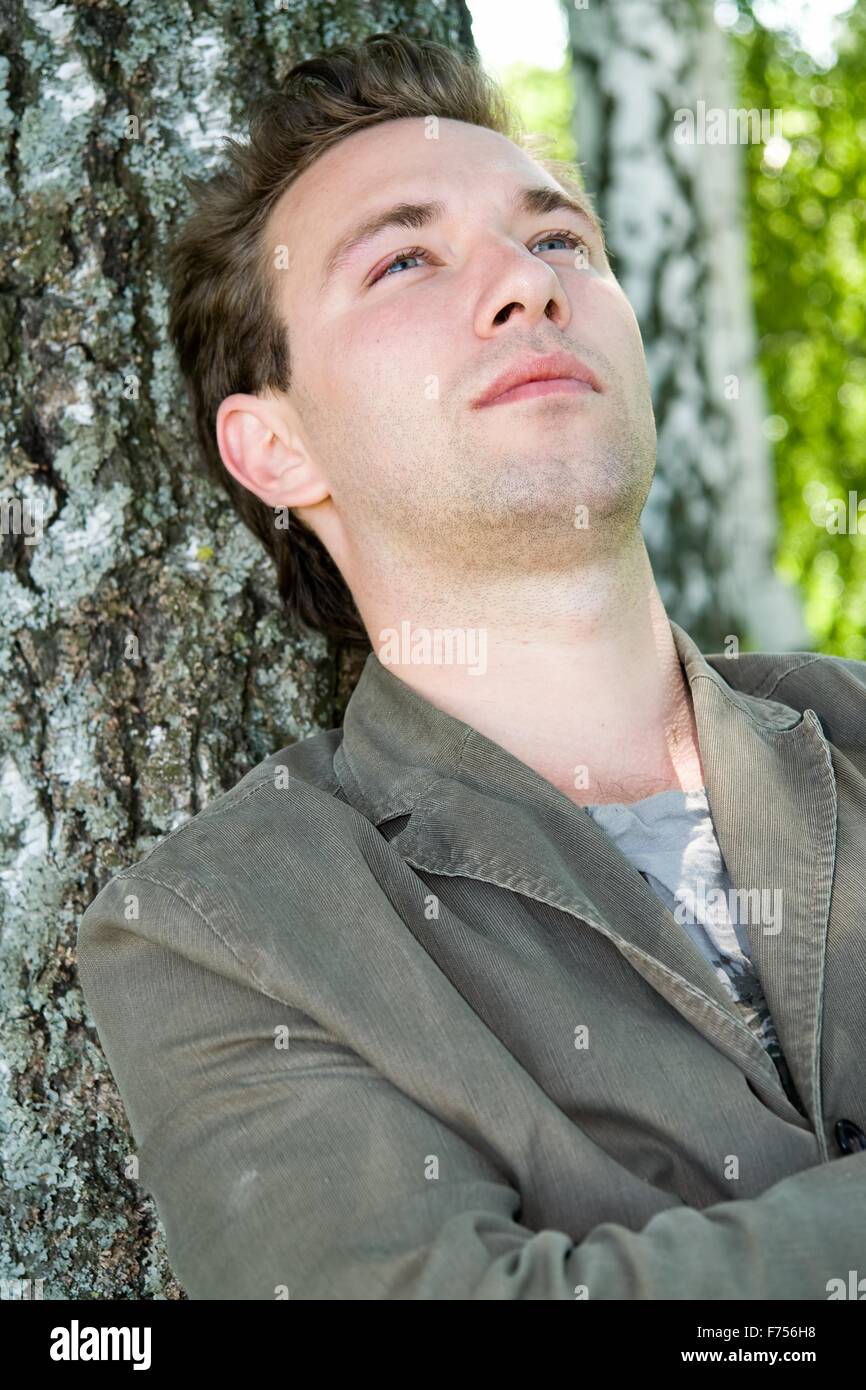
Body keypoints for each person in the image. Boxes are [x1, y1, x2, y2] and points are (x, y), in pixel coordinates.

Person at [76, 31, 866, 1300]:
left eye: (558, 240)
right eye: (402, 259)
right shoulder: (226, 928)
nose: (526, 284)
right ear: (274, 448)